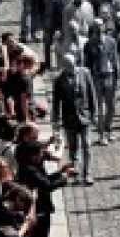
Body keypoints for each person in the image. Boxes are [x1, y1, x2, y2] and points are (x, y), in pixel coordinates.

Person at [50, 53, 97, 185]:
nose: (71, 67)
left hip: (84, 116)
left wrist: (95, 114)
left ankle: (87, 173)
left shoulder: (85, 73)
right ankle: (75, 173)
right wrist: (55, 121)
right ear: (64, 66)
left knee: (87, 145)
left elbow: (91, 93)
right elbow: (56, 103)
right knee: (73, 148)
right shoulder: (59, 80)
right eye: (68, 66)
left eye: (73, 65)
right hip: (69, 118)